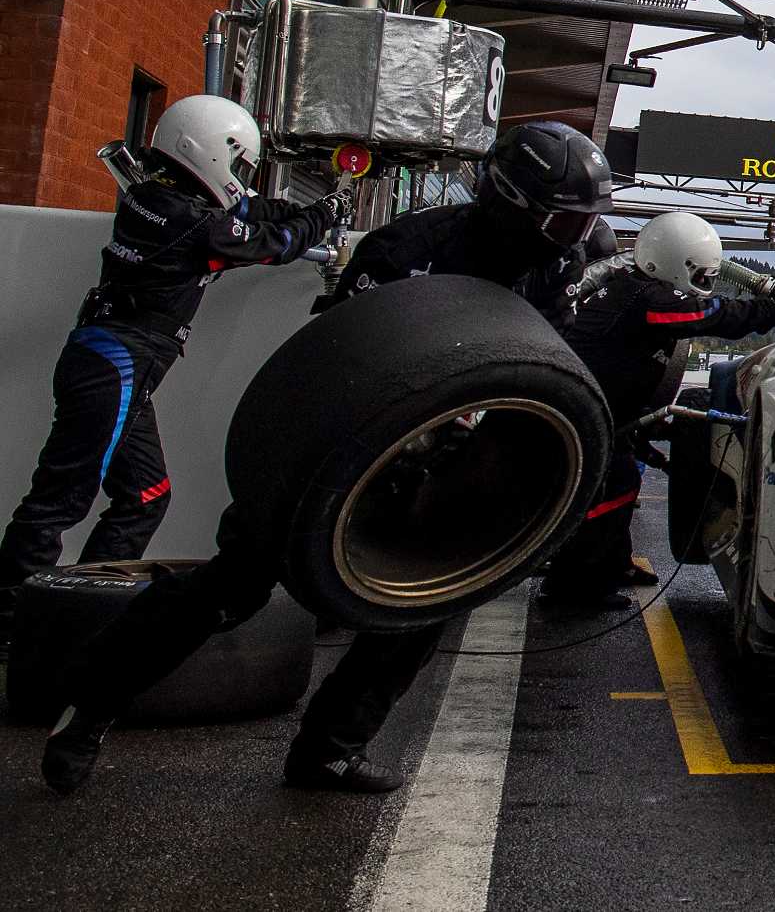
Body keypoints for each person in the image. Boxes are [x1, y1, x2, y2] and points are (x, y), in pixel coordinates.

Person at [39, 121, 613, 797]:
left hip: (440, 461)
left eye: (583, 224)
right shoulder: (405, 249)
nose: (573, 238)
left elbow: (543, 370)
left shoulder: (555, 270)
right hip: (335, 451)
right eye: (562, 221)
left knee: (421, 608)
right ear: (510, 200)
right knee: (229, 589)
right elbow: (342, 359)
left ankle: (328, 752)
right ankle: (89, 705)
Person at [0, 97, 344, 661]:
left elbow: (248, 211)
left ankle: (84, 609)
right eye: (237, 163)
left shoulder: (154, 196)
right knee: (62, 495)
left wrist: (294, 209)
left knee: (145, 495)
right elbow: (274, 245)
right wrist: (323, 213)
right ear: (208, 150)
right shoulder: (195, 223)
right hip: (116, 364)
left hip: (113, 362)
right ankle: (11, 618)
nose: (238, 177)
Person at [541, 213, 775, 609]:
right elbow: (710, 315)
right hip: (584, 414)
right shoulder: (647, 298)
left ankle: (610, 563)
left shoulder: (630, 289)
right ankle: (576, 586)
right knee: (613, 485)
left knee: (619, 478)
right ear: (675, 262)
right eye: (698, 275)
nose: (702, 285)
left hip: (591, 410)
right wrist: (773, 307)